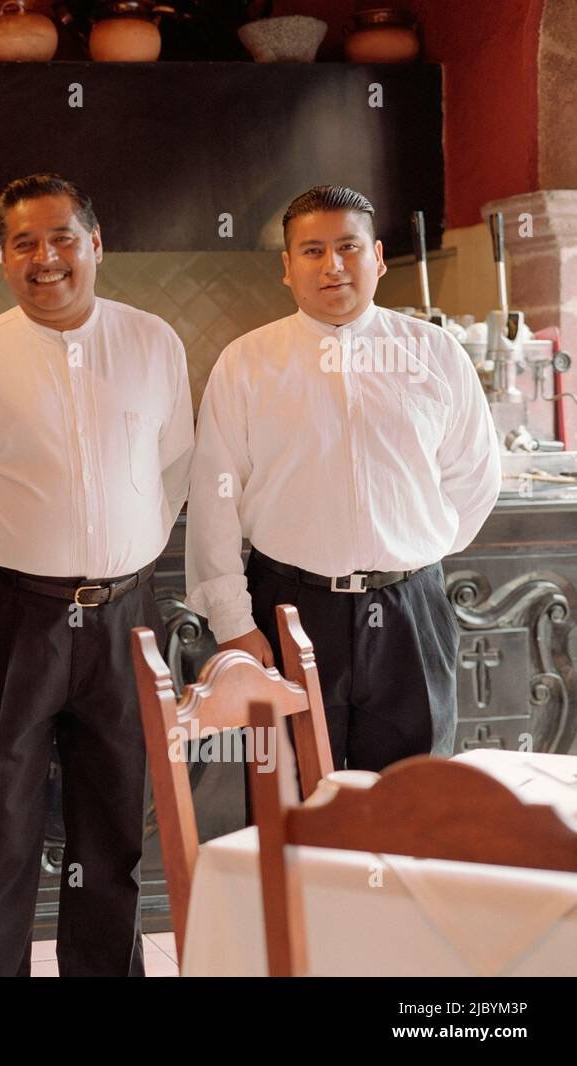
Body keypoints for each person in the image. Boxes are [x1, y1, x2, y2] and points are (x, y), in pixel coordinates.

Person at [0, 173, 194, 976]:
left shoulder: (154, 342)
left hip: (126, 616)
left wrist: (118, 557)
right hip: (12, 615)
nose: (44, 258)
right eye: (23, 243)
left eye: (61, 238)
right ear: (3, 258)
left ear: (96, 243)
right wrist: (27, 566)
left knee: (115, 827)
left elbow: (173, 469)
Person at [185, 184, 500, 771]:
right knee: (294, 804)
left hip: (411, 615)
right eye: (311, 251)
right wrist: (233, 624)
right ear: (287, 267)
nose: (332, 266)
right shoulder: (247, 363)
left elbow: (475, 476)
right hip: (289, 613)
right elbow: (213, 498)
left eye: (348, 247)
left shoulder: (435, 354)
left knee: (411, 801)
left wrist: (407, 554)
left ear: (377, 257)